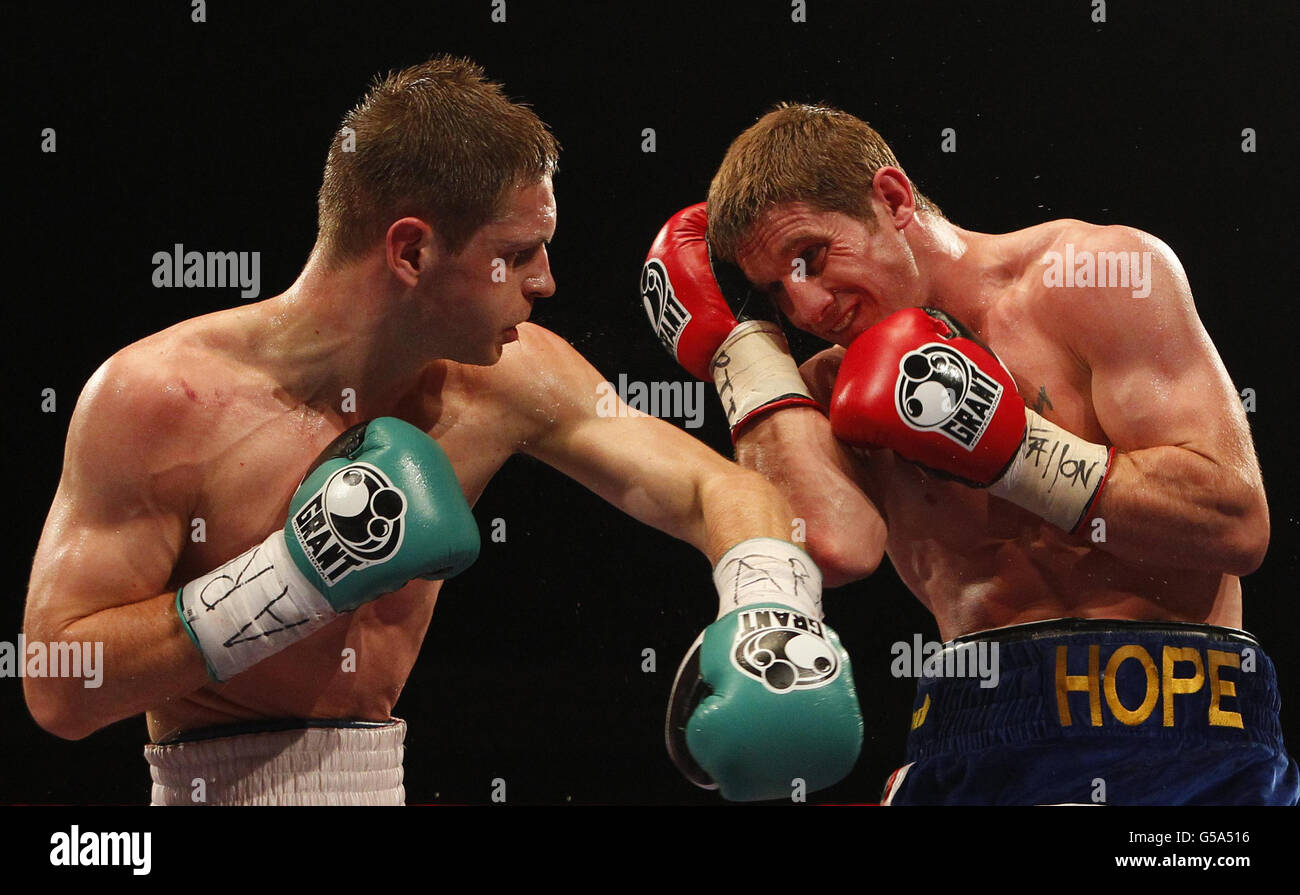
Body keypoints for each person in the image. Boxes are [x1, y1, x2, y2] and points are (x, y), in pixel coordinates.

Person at [22, 62, 863, 806]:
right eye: (519, 253)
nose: (546, 280)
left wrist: (768, 606)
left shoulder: (508, 375)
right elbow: (58, 685)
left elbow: (717, 488)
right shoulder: (161, 396)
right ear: (412, 251)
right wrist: (291, 579)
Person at [641, 102, 1299, 805]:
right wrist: (743, 359)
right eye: (775, 290)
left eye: (812, 257)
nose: (806, 308)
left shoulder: (1092, 276)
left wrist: (1014, 451)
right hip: (969, 726)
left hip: (1178, 726)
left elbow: (1235, 523)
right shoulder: (827, 389)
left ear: (892, 199)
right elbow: (829, 549)